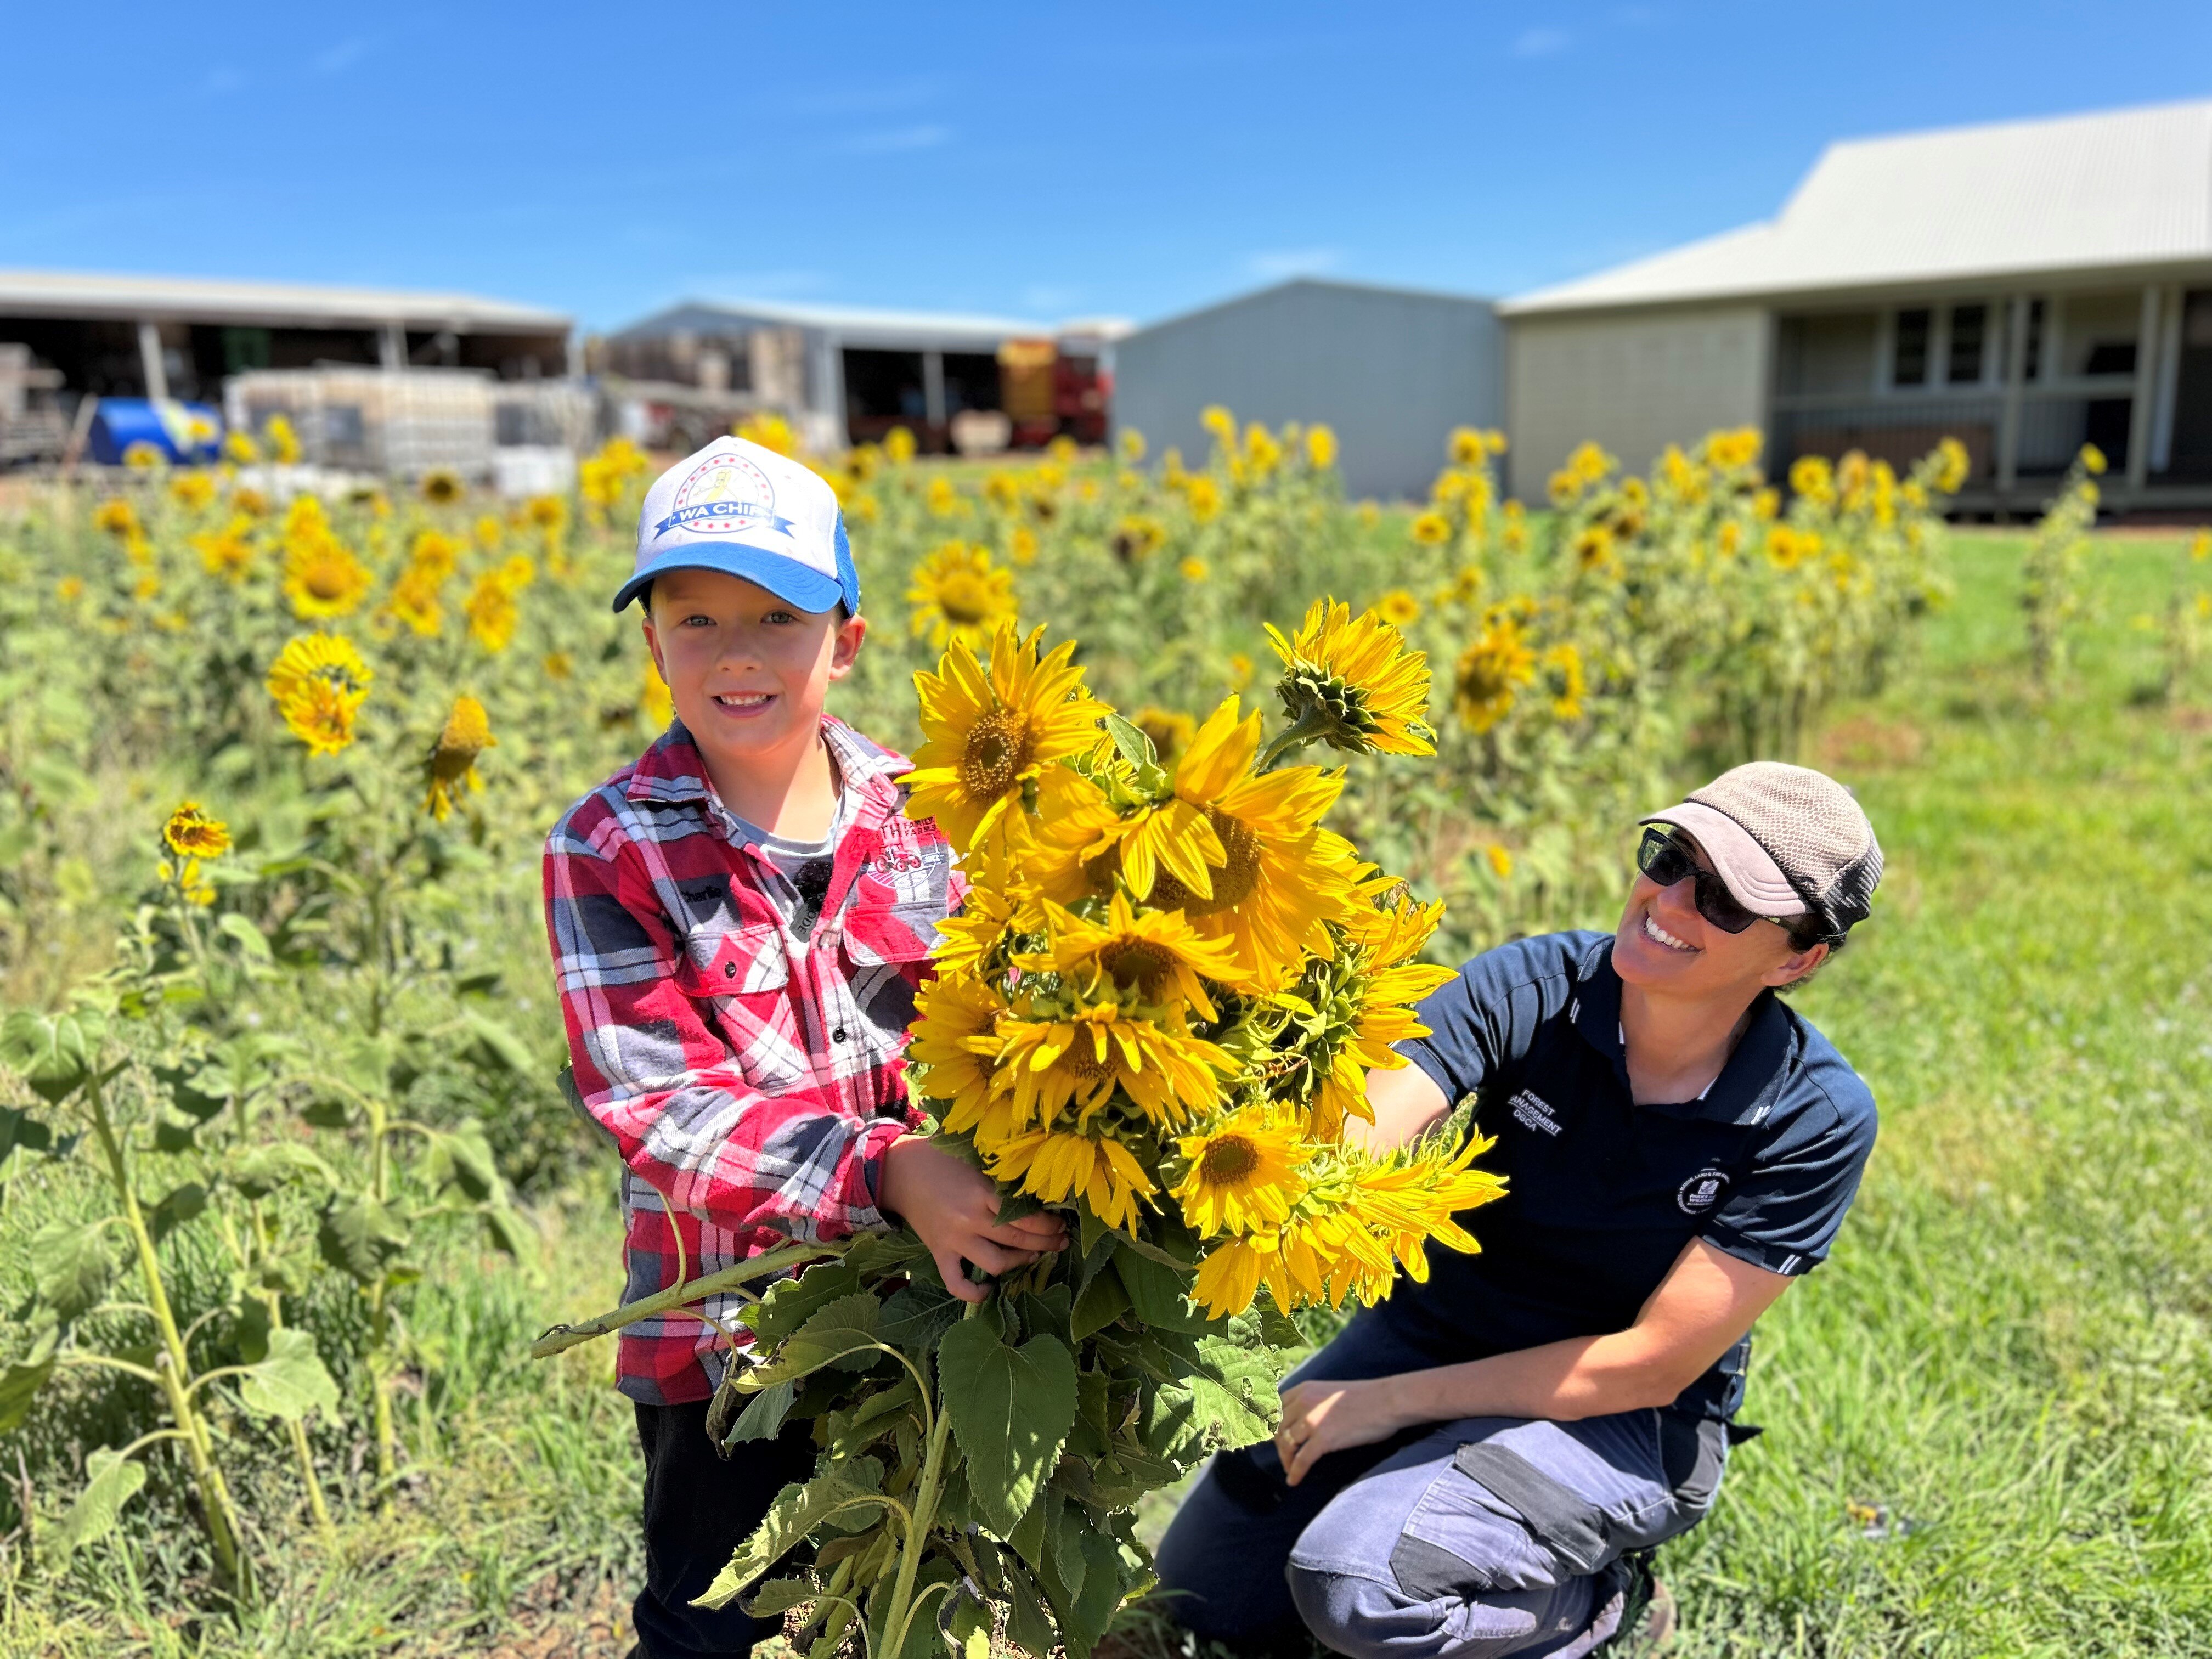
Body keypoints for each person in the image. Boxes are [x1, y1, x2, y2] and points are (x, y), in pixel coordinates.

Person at [1155, 761, 1884, 1658]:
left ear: (1797, 958)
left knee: (1352, 1587)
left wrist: (1388, 1404)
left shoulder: (1814, 1117)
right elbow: (1363, 1135)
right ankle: (1435, 1516)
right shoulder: (1536, 985)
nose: (1669, 901)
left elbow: (1649, 1366)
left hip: (1623, 1418)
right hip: (1434, 1335)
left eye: (1724, 900)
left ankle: (1594, 1605)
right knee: (1202, 1593)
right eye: (1670, 858)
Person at [541, 436, 1065, 1659]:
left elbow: (1012, 1007)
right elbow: (662, 1108)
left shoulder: (937, 811)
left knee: (922, 1591)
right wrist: (883, 1169)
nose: (737, 652)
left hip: (936, 1300)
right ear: (652, 644)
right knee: (719, 1616)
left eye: (779, 618)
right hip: (729, 1336)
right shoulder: (610, 845)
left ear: (846, 640)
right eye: (697, 618)